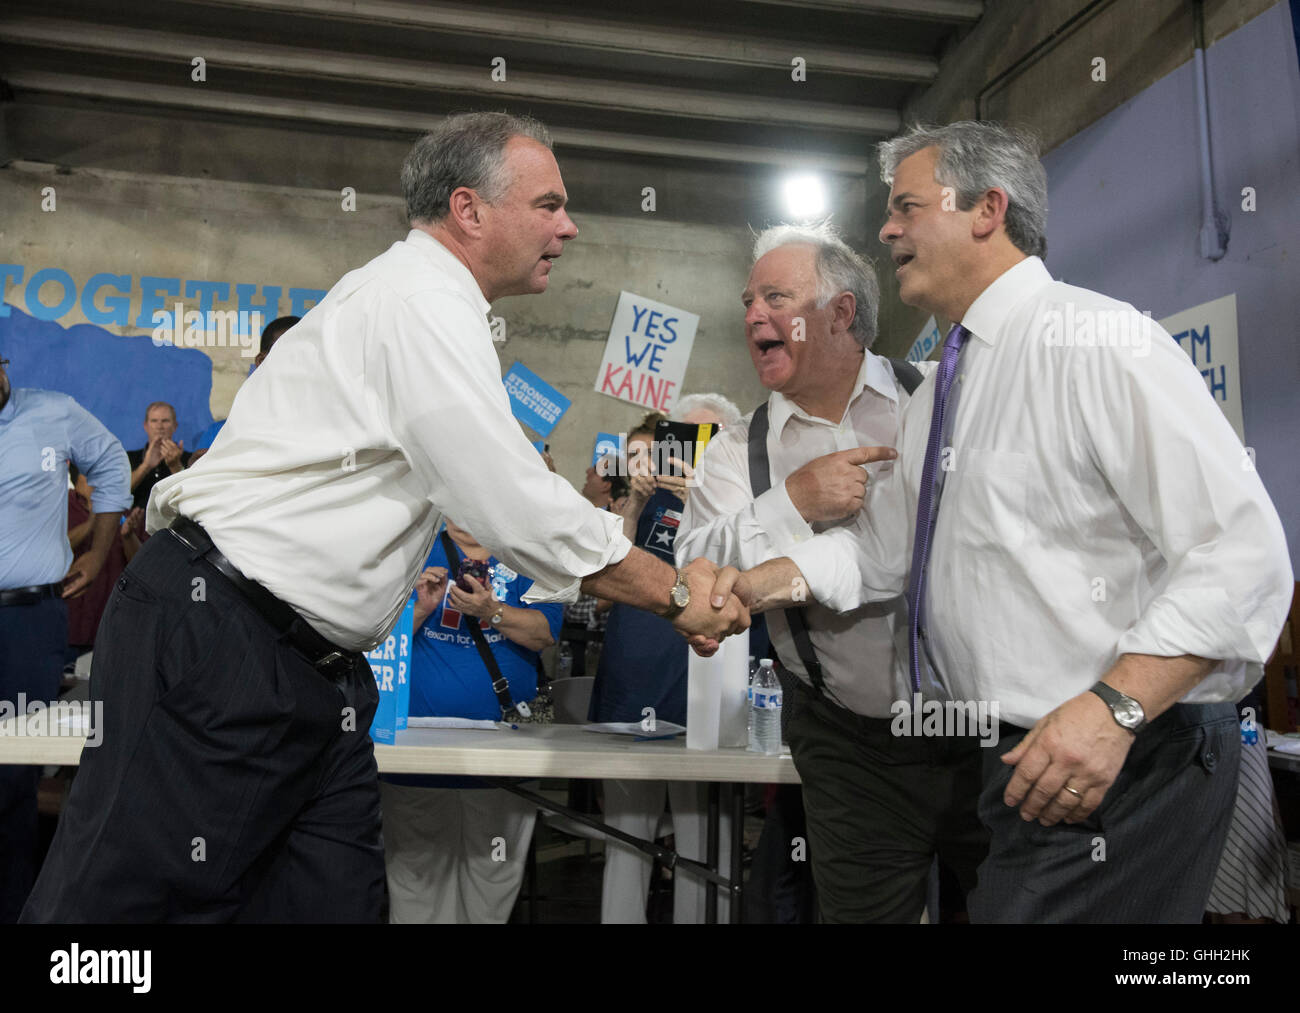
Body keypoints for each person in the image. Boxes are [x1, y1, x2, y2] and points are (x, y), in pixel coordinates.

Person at [22, 110, 747, 924]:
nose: (569, 227)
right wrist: (675, 589)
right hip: (221, 638)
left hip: (309, 670)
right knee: (118, 915)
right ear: (470, 210)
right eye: (548, 204)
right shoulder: (418, 302)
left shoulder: (433, 307)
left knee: (330, 900)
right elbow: (511, 498)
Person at [676, 223, 985, 923]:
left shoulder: (937, 398)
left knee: (1005, 907)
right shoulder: (733, 451)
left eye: (775, 296)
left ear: (841, 314)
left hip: (981, 727)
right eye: (748, 298)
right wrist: (792, 502)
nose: (753, 312)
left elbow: (900, 550)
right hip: (846, 747)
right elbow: (695, 570)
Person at [593, 401, 741, 923]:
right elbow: (600, 574)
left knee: (706, 841)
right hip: (634, 676)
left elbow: (751, 569)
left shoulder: (741, 491)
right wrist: (633, 502)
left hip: (703, 675)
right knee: (626, 838)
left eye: (710, 435)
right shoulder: (648, 495)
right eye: (684, 434)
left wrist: (705, 498)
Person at [0, 352, 130, 922]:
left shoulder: (55, 413)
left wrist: (100, 550)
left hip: (25, 622)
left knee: (12, 776)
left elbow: (111, 467)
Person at [380, 519, 562, 923]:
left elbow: (544, 634)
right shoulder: (412, 546)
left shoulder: (528, 551)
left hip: (504, 752)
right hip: (416, 753)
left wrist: (491, 611)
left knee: (493, 879)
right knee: (415, 881)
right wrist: (422, 609)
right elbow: (379, 642)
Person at [188, 315, 299, 464]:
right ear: (261, 361)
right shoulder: (219, 435)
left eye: (306, 352)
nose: (298, 361)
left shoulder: (326, 425)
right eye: (288, 351)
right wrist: (195, 473)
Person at [66, 464, 143, 655]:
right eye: (89, 474)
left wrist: (128, 537)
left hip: (108, 630)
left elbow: (140, 567)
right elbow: (56, 547)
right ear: (76, 478)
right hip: (65, 628)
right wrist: (93, 521)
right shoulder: (60, 505)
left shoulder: (124, 511)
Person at [126, 401, 191, 509]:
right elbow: (118, 493)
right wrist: (145, 466)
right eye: (154, 421)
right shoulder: (129, 458)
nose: (160, 426)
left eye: (165, 421)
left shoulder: (188, 458)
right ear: (146, 426)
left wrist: (176, 467)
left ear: (175, 426)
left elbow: (191, 496)